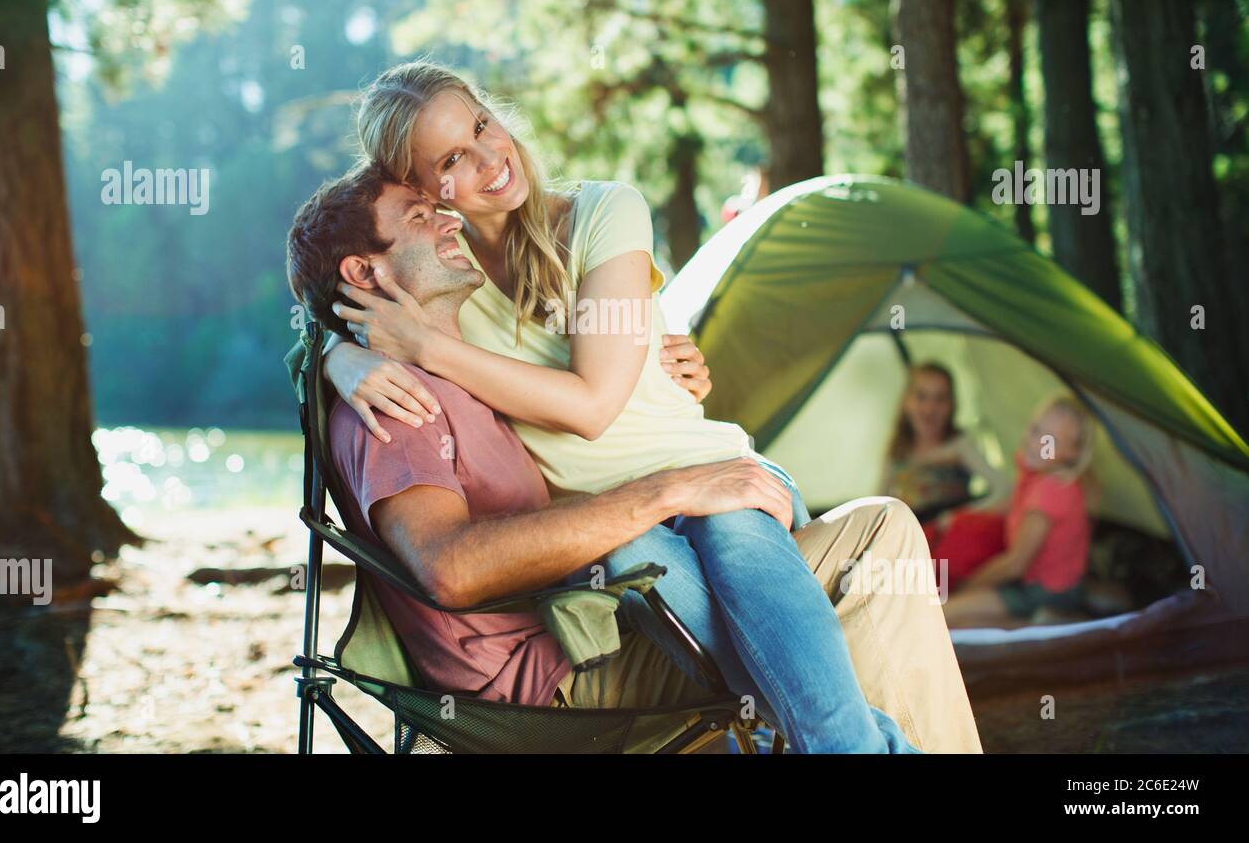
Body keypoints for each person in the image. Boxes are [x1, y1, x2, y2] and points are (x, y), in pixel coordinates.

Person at [286, 160, 982, 752]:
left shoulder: (454, 362)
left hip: (600, 615)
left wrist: (656, 362)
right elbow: (451, 568)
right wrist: (669, 490)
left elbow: (313, 339)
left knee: (865, 538)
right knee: (878, 545)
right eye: (417, 217)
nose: (448, 219)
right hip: (561, 672)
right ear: (362, 269)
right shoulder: (393, 402)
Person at [939, 397, 1095, 628]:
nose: (1036, 444)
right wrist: (961, 517)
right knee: (952, 606)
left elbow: (1014, 565)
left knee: (942, 616)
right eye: (1035, 431)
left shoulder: (1050, 490)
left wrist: (968, 585)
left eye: (1050, 442)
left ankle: (1025, 625)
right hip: (1040, 582)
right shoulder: (1038, 475)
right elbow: (1009, 504)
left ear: (1073, 454)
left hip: (1044, 592)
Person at [880, 362, 1011, 528]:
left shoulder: (959, 446)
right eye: (921, 396)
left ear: (952, 405)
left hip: (948, 533)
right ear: (906, 402)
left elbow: (1004, 487)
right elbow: (879, 503)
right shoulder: (898, 450)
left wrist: (961, 517)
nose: (930, 408)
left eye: (940, 399)